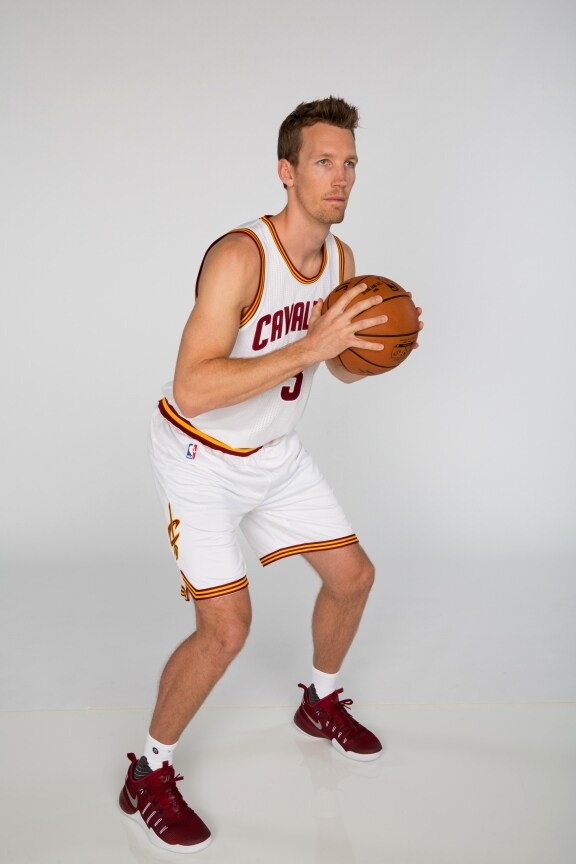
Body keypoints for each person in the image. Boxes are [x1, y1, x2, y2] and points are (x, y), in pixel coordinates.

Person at [119, 96, 421, 854]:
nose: (341, 177)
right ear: (287, 172)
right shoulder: (240, 256)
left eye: (350, 163)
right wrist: (311, 347)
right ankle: (148, 771)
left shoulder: (343, 264)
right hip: (201, 458)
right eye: (324, 161)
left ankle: (318, 703)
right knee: (226, 630)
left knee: (353, 578)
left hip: (276, 456)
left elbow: (333, 370)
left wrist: (378, 349)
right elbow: (192, 385)